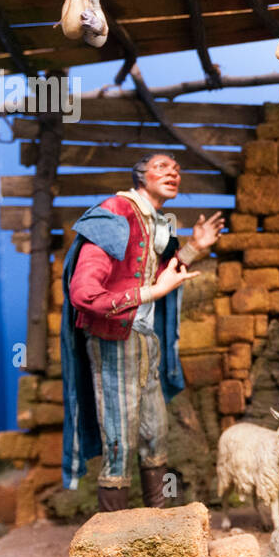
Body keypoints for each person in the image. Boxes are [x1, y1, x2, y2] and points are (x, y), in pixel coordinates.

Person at [60, 152, 224, 511]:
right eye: (163, 167)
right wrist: (151, 293)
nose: (173, 174)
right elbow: (84, 293)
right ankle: (112, 535)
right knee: (120, 438)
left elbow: (162, 273)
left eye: (177, 170)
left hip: (145, 338)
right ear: (140, 176)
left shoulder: (157, 221)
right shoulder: (115, 211)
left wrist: (195, 247)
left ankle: (159, 520)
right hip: (113, 340)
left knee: (154, 431)